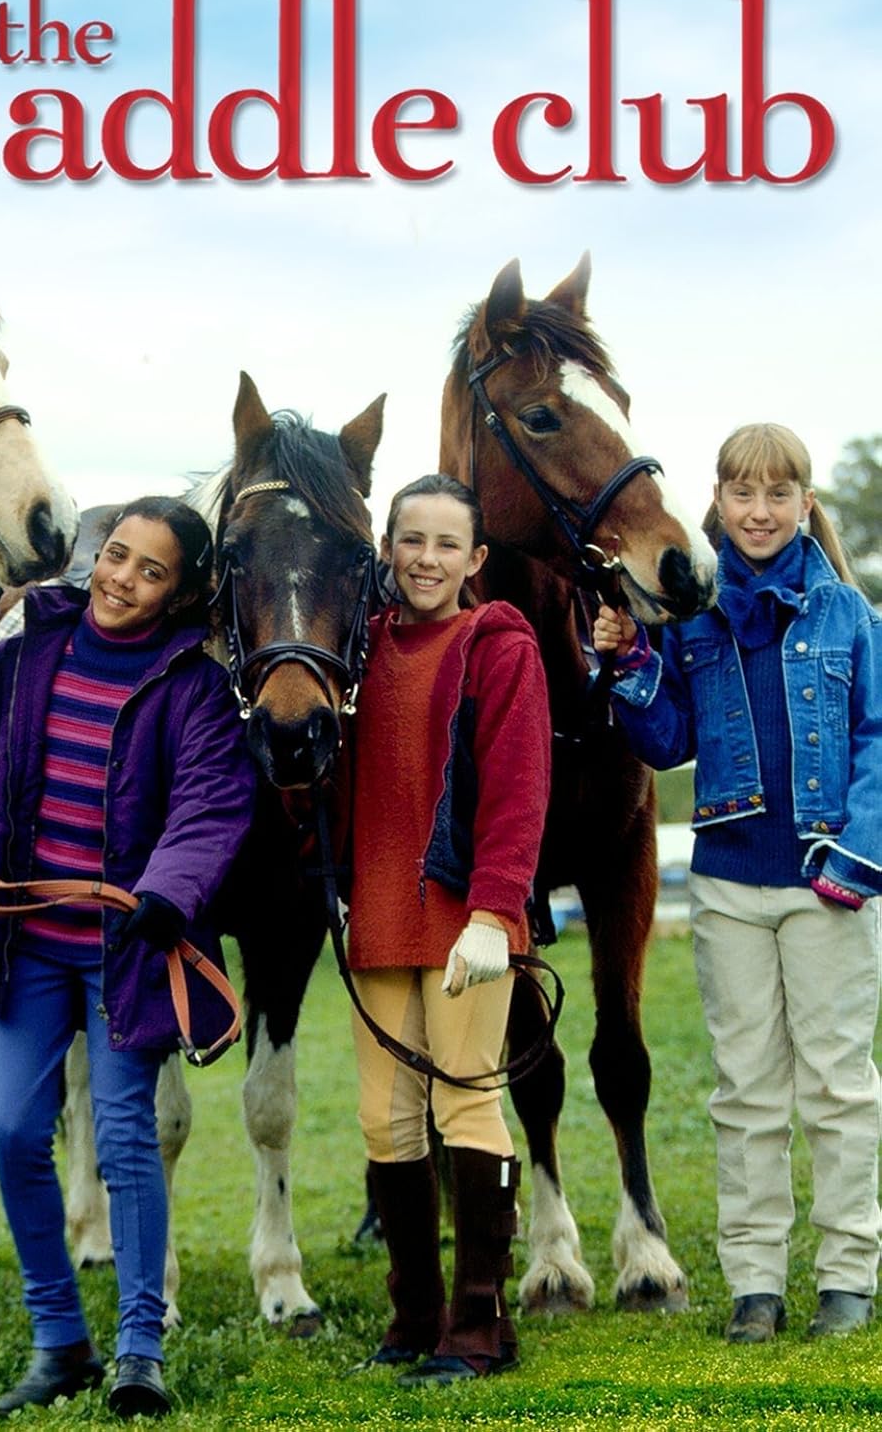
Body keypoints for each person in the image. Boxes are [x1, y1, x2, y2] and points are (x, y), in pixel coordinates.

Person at [0, 496, 256, 1417]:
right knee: (15, 1132)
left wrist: (169, 891)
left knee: (126, 1140)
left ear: (182, 593)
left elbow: (212, 806)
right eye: (117, 556)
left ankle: (140, 1349)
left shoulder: (197, 689)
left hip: (127, 946)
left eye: (150, 571)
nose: (121, 580)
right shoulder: (27, 656)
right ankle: (60, 1341)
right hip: (24, 946)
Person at [592, 423, 882, 1344]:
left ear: (804, 505)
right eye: (741, 493)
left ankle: (847, 1278)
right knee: (745, 1089)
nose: (759, 512)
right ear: (716, 503)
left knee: (838, 1086)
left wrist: (857, 858)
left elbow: (879, 743)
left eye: (778, 494)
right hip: (727, 887)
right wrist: (630, 661)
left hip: (828, 883)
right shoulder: (694, 619)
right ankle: (756, 1283)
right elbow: (668, 740)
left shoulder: (852, 619)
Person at [346, 472, 550, 1387]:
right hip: (377, 910)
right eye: (409, 540)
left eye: (444, 545)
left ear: (474, 559)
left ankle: (479, 1325)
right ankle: (414, 1314)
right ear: (388, 548)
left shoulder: (496, 644)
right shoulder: (361, 648)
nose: (424, 560)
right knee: (384, 1123)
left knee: (465, 1099)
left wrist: (495, 912)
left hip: (465, 915)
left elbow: (517, 789)